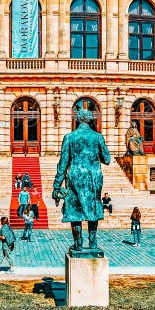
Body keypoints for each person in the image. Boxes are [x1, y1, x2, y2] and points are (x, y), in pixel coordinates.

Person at [52, 107, 112, 253]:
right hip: (93, 179)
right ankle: (93, 244)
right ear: (90, 119)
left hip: (74, 178)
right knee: (93, 209)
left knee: (75, 212)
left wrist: (56, 186)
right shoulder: (98, 137)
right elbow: (107, 159)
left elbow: (63, 163)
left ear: (78, 119)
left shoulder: (69, 138)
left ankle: (78, 244)